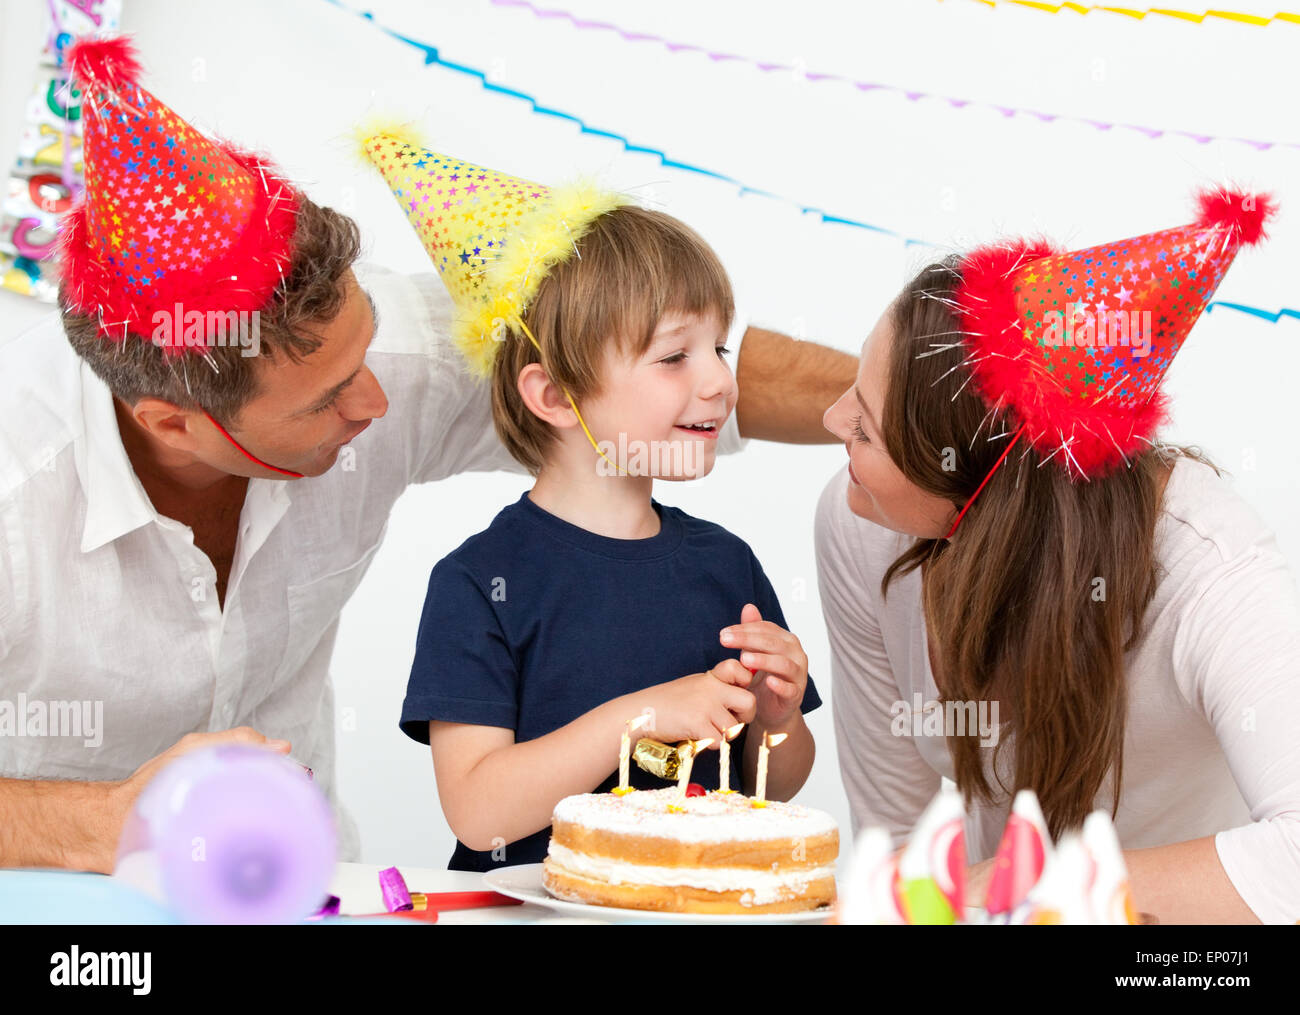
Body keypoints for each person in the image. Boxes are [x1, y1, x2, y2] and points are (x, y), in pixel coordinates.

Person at [0, 37, 855, 871]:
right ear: (173, 423)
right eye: (329, 400)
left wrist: (899, 416)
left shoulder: (385, 357)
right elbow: (481, 807)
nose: (376, 401)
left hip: (302, 884)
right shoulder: (19, 483)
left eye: (365, 355)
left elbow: (683, 385)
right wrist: (99, 822)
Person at [816, 188, 1300, 924]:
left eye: (867, 430)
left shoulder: (1214, 574)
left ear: (988, 510)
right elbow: (897, 837)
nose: (829, 421)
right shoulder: (863, 525)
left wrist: (1037, 883)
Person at [354, 129, 821, 869]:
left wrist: (777, 717)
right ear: (552, 393)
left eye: (719, 349)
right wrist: (641, 716)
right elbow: (479, 814)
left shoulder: (727, 565)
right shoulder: (480, 582)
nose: (719, 382)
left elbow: (779, 782)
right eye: (675, 356)